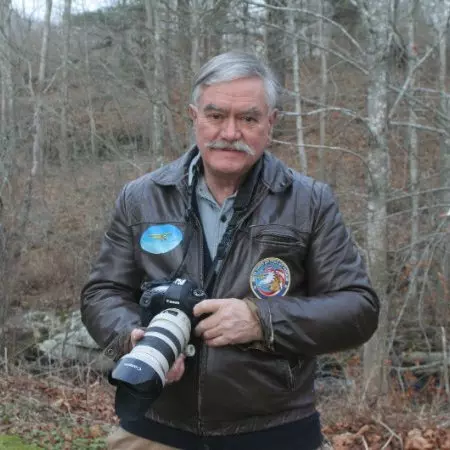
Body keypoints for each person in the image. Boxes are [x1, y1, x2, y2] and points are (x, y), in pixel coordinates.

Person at [81, 51, 379, 450]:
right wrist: (132, 337)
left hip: (276, 430)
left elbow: (358, 309)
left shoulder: (309, 202)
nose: (230, 132)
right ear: (194, 117)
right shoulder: (142, 198)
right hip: (153, 427)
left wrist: (262, 320)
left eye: (249, 118)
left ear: (271, 123)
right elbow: (102, 293)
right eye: (216, 115)